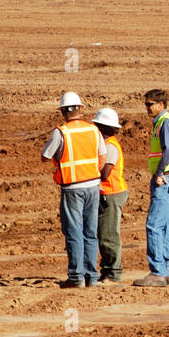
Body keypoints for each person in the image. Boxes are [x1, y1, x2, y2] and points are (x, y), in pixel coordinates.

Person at [41, 91, 105, 288]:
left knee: (74, 231)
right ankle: (92, 277)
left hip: (72, 188)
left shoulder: (61, 132)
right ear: (80, 109)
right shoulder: (94, 130)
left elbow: (45, 155)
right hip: (93, 185)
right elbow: (102, 157)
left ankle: (77, 277)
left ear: (62, 111)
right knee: (90, 231)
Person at [135, 88, 169, 288]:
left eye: (149, 104)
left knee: (154, 225)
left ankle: (158, 272)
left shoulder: (166, 122)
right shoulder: (162, 122)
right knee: (163, 225)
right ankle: (168, 272)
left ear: (161, 105)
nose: (146, 108)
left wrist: (160, 172)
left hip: (166, 179)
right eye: (146, 104)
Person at [92, 106, 128, 285]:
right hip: (107, 193)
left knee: (109, 235)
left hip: (112, 194)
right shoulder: (105, 145)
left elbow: (104, 173)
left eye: (98, 126)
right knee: (104, 233)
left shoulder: (110, 146)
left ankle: (113, 274)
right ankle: (108, 272)